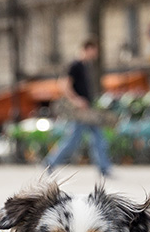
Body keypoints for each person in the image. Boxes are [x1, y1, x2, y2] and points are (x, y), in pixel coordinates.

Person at [45, 38, 113, 177]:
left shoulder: (85, 66)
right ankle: (50, 162)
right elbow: (63, 85)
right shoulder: (75, 65)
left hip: (87, 110)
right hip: (80, 112)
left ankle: (104, 168)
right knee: (73, 141)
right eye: (94, 51)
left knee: (98, 137)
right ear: (87, 49)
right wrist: (76, 100)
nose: (95, 54)